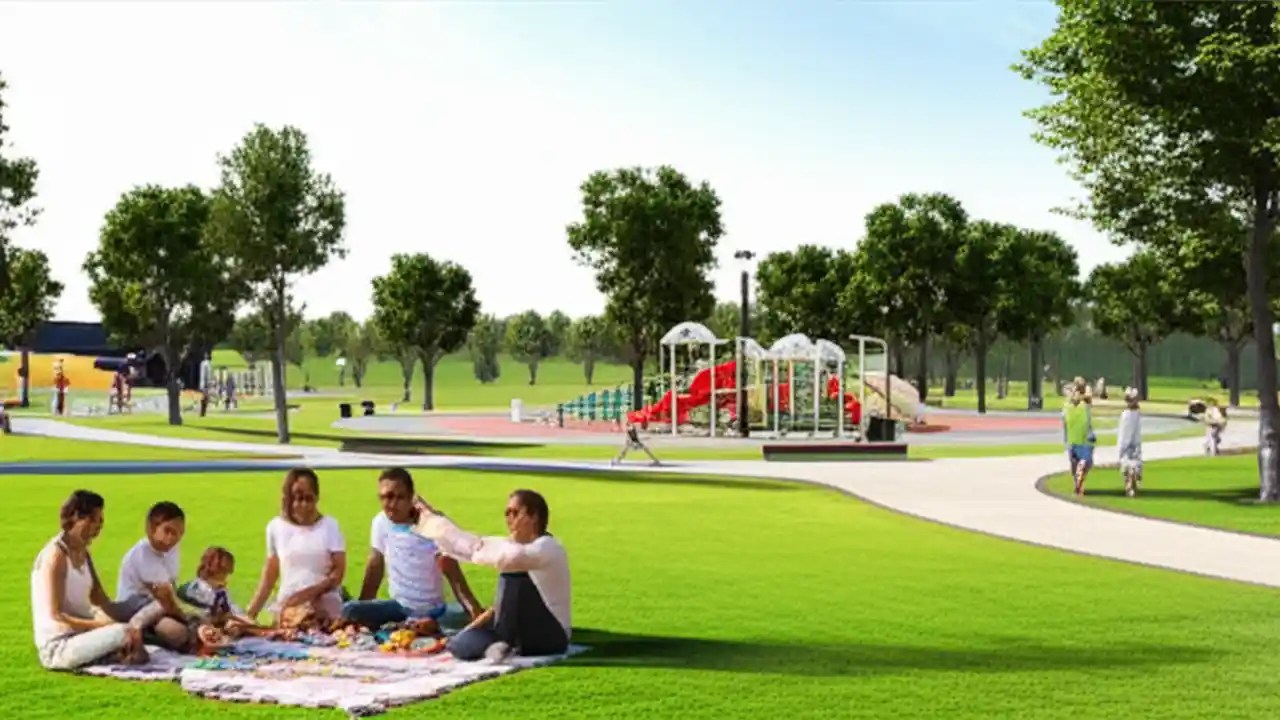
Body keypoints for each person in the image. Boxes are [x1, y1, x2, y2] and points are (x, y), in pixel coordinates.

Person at [413, 489, 570, 662]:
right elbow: (473, 548)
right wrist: (465, 632)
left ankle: (503, 642)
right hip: (521, 630)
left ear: (533, 517)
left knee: (511, 577)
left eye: (515, 513)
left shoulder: (547, 547)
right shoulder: (515, 547)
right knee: (460, 646)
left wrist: (440, 526)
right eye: (507, 513)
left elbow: (505, 557)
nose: (509, 518)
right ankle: (498, 645)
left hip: (552, 637)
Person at [30, 490, 161, 670]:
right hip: (59, 645)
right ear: (76, 518)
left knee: (148, 604)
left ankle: (126, 645)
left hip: (83, 632)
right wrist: (101, 626)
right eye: (94, 520)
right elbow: (56, 615)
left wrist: (137, 611)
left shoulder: (84, 553)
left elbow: (100, 599)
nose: (99, 526)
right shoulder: (56, 557)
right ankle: (124, 648)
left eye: (101, 520)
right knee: (123, 632)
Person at [341, 468, 483, 631]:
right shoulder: (380, 522)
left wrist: (473, 610)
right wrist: (363, 608)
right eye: (387, 497)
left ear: (411, 498)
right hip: (399, 607)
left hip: (434, 611)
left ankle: (429, 626)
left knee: (459, 622)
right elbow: (375, 565)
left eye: (399, 497)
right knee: (350, 610)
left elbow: (453, 573)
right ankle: (408, 626)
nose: (392, 504)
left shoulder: (431, 524)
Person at [246, 468, 347, 625]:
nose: (304, 505)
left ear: (317, 497)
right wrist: (250, 615)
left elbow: (338, 573)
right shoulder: (275, 527)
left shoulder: (330, 526)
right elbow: (269, 578)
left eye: (309, 499)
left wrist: (309, 594)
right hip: (289, 608)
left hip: (323, 606)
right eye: (298, 499)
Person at [113, 501, 191, 650]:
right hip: (136, 608)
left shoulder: (172, 548)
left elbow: (171, 586)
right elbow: (165, 600)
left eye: (178, 533)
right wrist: (186, 618)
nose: (172, 538)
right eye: (167, 531)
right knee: (177, 633)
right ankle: (136, 633)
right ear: (151, 528)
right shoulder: (143, 555)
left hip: (158, 606)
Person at [1062, 378, 1095, 496]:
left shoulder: (1067, 406)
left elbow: (1064, 423)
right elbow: (1089, 397)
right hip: (1085, 438)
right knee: (1087, 461)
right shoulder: (1085, 405)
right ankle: (1081, 473)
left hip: (1072, 438)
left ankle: (1077, 480)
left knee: (1074, 462)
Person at [1118, 387, 1143, 497]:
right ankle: (1134, 474)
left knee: (1125, 454)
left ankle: (1129, 478)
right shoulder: (1136, 413)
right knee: (1135, 451)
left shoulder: (1126, 415)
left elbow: (1124, 438)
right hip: (1135, 440)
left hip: (1127, 440)